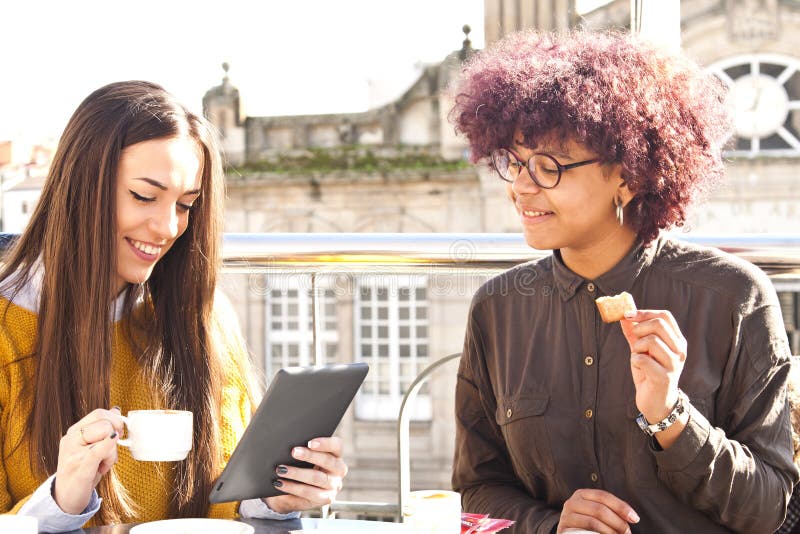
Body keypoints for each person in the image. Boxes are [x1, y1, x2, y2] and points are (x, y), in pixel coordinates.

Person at [449, 29, 798, 533]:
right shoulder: (497, 309)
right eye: (514, 163)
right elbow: (478, 489)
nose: (522, 187)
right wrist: (550, 526)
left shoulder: (733, 298)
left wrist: (671, 417)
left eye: (549, 167)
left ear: (629, 174)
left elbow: (768, 509)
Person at [0, 81, 347, 531]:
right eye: (144, 196)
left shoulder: (205, 319)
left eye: (186, 205)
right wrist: (61, 499)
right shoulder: (8, 329)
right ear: (80, 186)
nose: (167, 227)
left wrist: (274, 498)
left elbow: (223, 500)